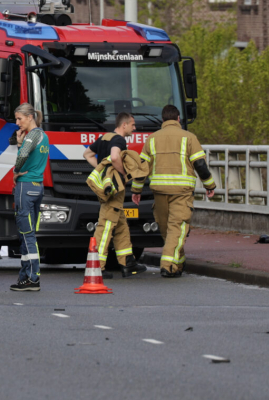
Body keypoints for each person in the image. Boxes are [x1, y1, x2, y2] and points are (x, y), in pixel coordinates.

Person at [135, 104, 216, 277]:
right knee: (176, 229)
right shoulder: (189, 137)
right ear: (178, 119)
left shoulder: (152, 139)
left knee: (167, 230)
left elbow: (142, 167)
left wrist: (136, 190)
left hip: (159, 191)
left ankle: (177, 264)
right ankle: (167, 264)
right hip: (182, 191)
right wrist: (210, 185)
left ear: (163, 120)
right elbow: (200, 165)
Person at [84, 112, 145, 278]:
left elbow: (87, 154)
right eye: (132, 124)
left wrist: (101, 170)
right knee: (105, 227)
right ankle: (98, 266)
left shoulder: (104, 137)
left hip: (106, 187)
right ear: (123, 125)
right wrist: (123, 174)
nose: (135, 127)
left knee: (121, 225)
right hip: (114, 189)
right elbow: (115, 156)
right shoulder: (119, 140)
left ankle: (127, 263)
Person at [10, 104, 48, 291]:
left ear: (30, 116)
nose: (17, 123)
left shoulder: (32, 135)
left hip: (25, 186)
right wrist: (19, 142)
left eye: (20, 119)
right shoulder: (44, 136)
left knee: (26, 234)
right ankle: (25, 277)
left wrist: (16, 172)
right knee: (28, 234)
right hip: (37, 187)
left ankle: (33, 278)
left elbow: (23, 155)